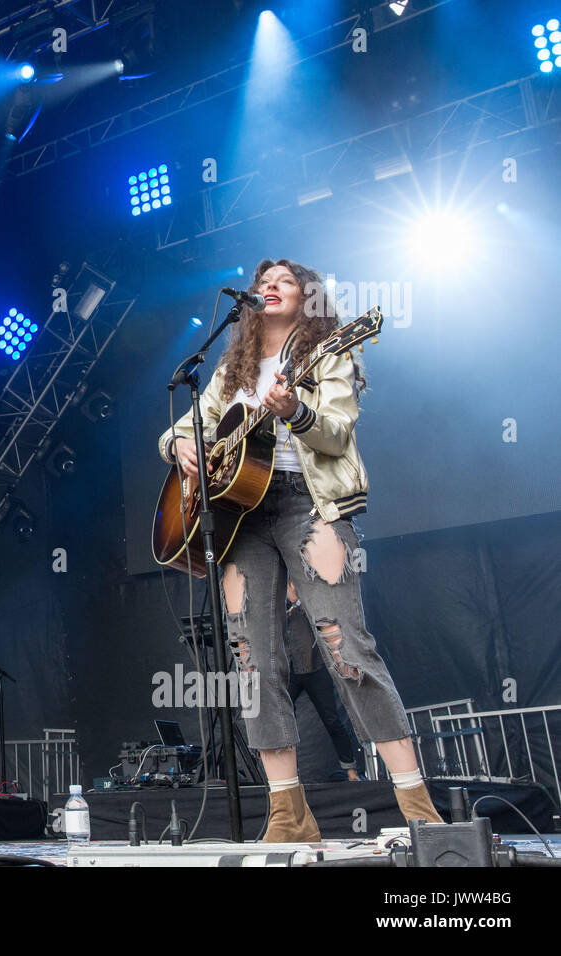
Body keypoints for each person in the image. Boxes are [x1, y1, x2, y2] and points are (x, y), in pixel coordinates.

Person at [158, 258, 442, 841]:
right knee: (253, 662)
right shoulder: (231, 368)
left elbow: (337, 433)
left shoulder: (329, 350)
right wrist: (182, 446)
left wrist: (296, 411)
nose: (271, 286)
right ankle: (289, 816)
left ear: (307, 296)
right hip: (239, 517)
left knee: (346, 648)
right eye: (265, 281)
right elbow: (183, 426)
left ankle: (416, 804)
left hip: (307, 506)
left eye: (285, 280)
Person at [285, 581, 363, 782]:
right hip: (290, 670)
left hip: (315, 668)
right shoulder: (276, 600)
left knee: (332, 720)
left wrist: (298, 601)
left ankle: (351, 770)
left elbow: (323, 619)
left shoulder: (308, 597)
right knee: (283, 720)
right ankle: (288, 774)